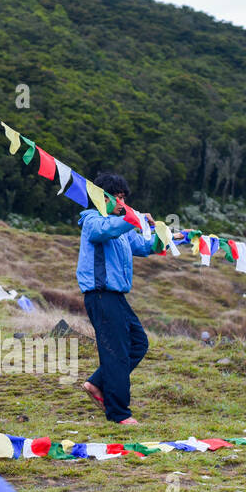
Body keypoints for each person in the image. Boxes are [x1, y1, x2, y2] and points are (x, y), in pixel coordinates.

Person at [76, 171, 155, 424]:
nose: (121, 203)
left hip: (117, 297)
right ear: (101, 197)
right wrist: (134, 219)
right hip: (101, 296)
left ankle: (96, 383)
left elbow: (143, 246)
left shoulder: (121, 226)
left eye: (124, 198)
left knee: (138, 343)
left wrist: (175, 237)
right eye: (117, 197)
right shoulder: (92, 220)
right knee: (117, 353)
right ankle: (119, 413)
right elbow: (104, 231)